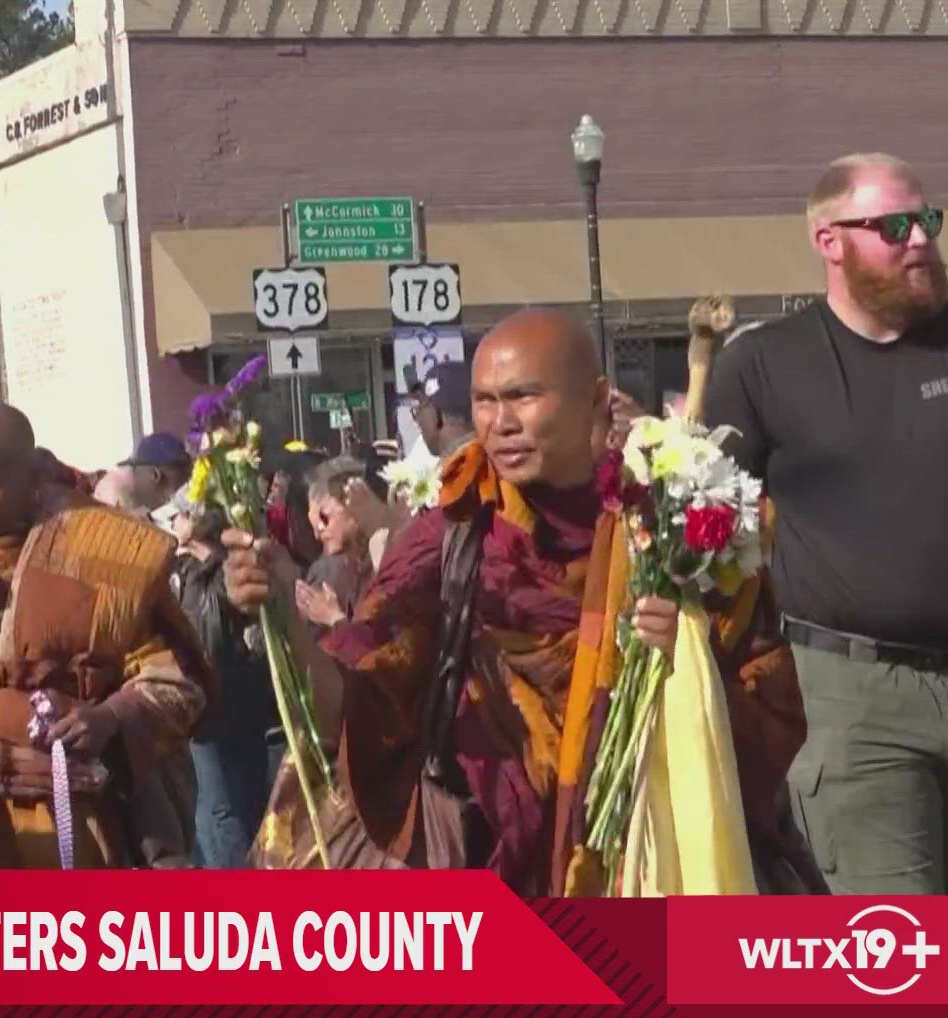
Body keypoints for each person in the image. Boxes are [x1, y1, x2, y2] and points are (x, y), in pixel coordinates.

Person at [224, 308, 816, 894]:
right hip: (494, 876)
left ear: (597, 399)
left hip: (652, 865)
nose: (500, 422)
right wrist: (284, 617)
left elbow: (773, 716)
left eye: (523, 396)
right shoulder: (450, 538)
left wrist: (686, 662)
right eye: (484, 401)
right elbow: (355, 706)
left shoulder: (673, 531)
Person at [704, 153, 948, 896]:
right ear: (830, 240)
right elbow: (705, 528)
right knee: (897, 958)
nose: (919, 238)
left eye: (927, 220)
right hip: (845, 698)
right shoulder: (762, 365)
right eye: (893, 226)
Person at [0, 404, 208, 867]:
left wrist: (108, 717)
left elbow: (182, 683)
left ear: (33, 477)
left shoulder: (105, 556)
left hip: (85, 829)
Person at [166, 492, 279, 867]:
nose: (173, 524)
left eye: (179, 516)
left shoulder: (216, 573)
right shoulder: (195, 571)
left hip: (218, 716)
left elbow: (207, 644)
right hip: (230, 714)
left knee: (221, 817)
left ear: (196, 522)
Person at [293, 457, 388, 632]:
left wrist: (335, 620)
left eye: (324, 517)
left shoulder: (386, 555)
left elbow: (382, 646)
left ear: (352, 500)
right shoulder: (351, 566)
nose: (318, 533)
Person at [410, 361, 475, 461]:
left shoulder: (454, 471)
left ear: (436, 416)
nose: (418, 420)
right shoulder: (496, 462)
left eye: (419, 411)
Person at [118, 432, 195, 513]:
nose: (132, 478)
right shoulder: (197, 511)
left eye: (134, 470)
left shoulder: (162, 522)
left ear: (154, 475)